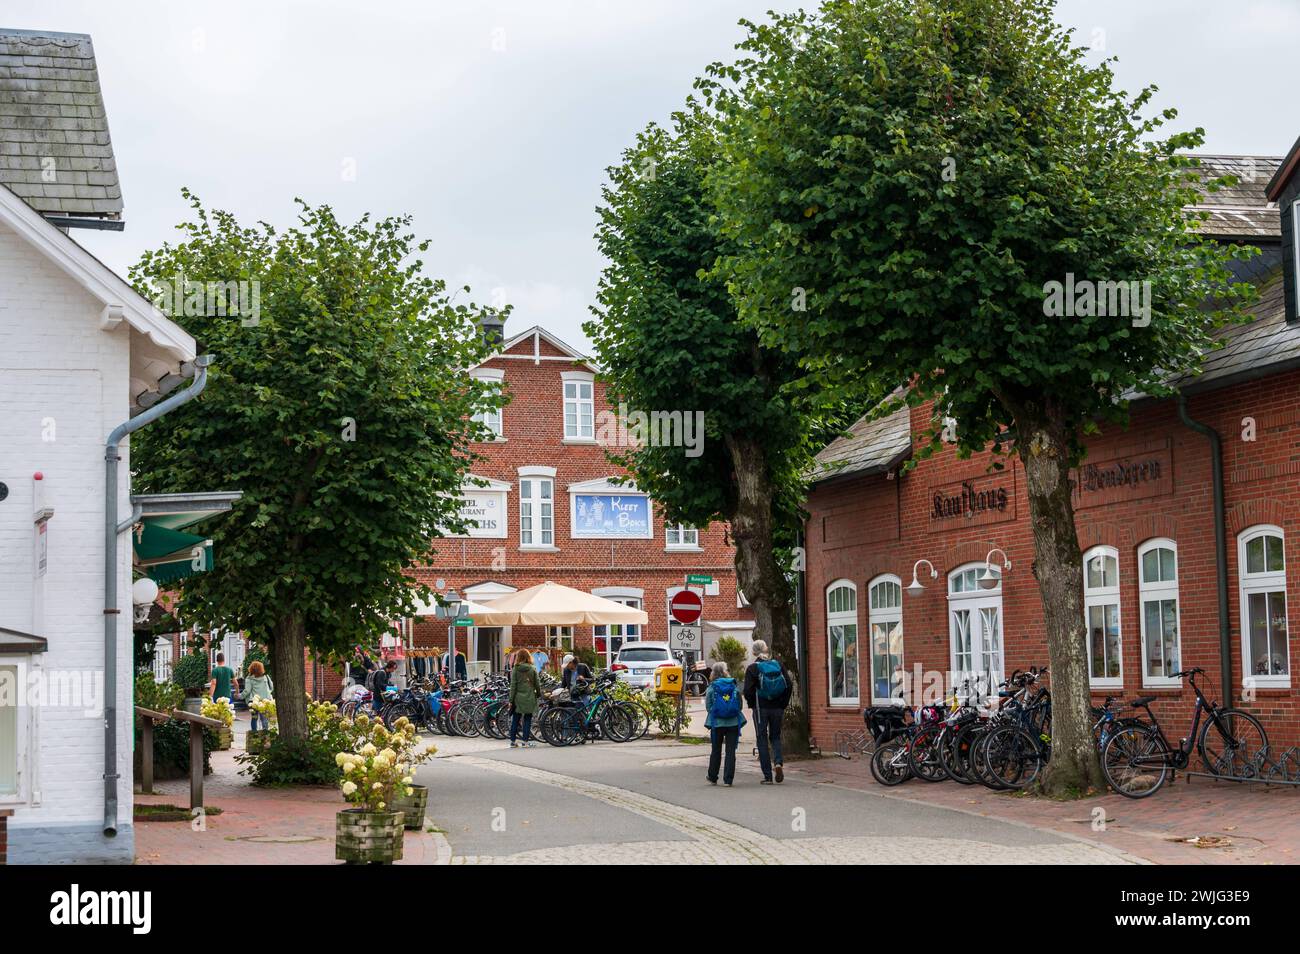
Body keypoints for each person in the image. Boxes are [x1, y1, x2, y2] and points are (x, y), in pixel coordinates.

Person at [742, 640, 793, 784]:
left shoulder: (753, 669)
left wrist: (752, 704)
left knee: (762, 739)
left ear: (754, 652)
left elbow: (747, 691)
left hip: (760, 709)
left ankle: (767, 776)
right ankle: (778, 762)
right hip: (777, 708)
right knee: (775, 737)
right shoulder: (777, 665)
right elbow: (788, 685)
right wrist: (783, 704)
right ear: (766, 650)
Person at [705, 662, 746, 786]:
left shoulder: (711, 687)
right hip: (733, 723)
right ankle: (728, 780)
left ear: (713, 673)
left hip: (717, 724)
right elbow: (739, 705)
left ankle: (713, 777)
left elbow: (708, 707)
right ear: (725, 672)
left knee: (716, 750)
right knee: (730, 752)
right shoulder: (733, 686)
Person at [507, 648, 541, 747]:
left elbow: (513, 685)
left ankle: (513, 742)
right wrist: (538, 694)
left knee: (515, 720)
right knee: (527, 719)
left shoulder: (515, 669)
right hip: (529, 696)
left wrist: (511, 700)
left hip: (518, 697)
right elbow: (537, 683)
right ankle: (525, 742)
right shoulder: (532, 668)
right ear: (528, 657)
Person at [243, 660, 274, 731]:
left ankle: (254, 734)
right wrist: (268, 692)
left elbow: (247, 691)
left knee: (254, 718)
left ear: (251, 669)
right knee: (264, 719)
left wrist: (241, 696)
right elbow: (271, 686)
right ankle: (265, 734)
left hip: (254, 702)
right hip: (265, 701)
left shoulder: (249, 679)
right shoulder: (266, 676)